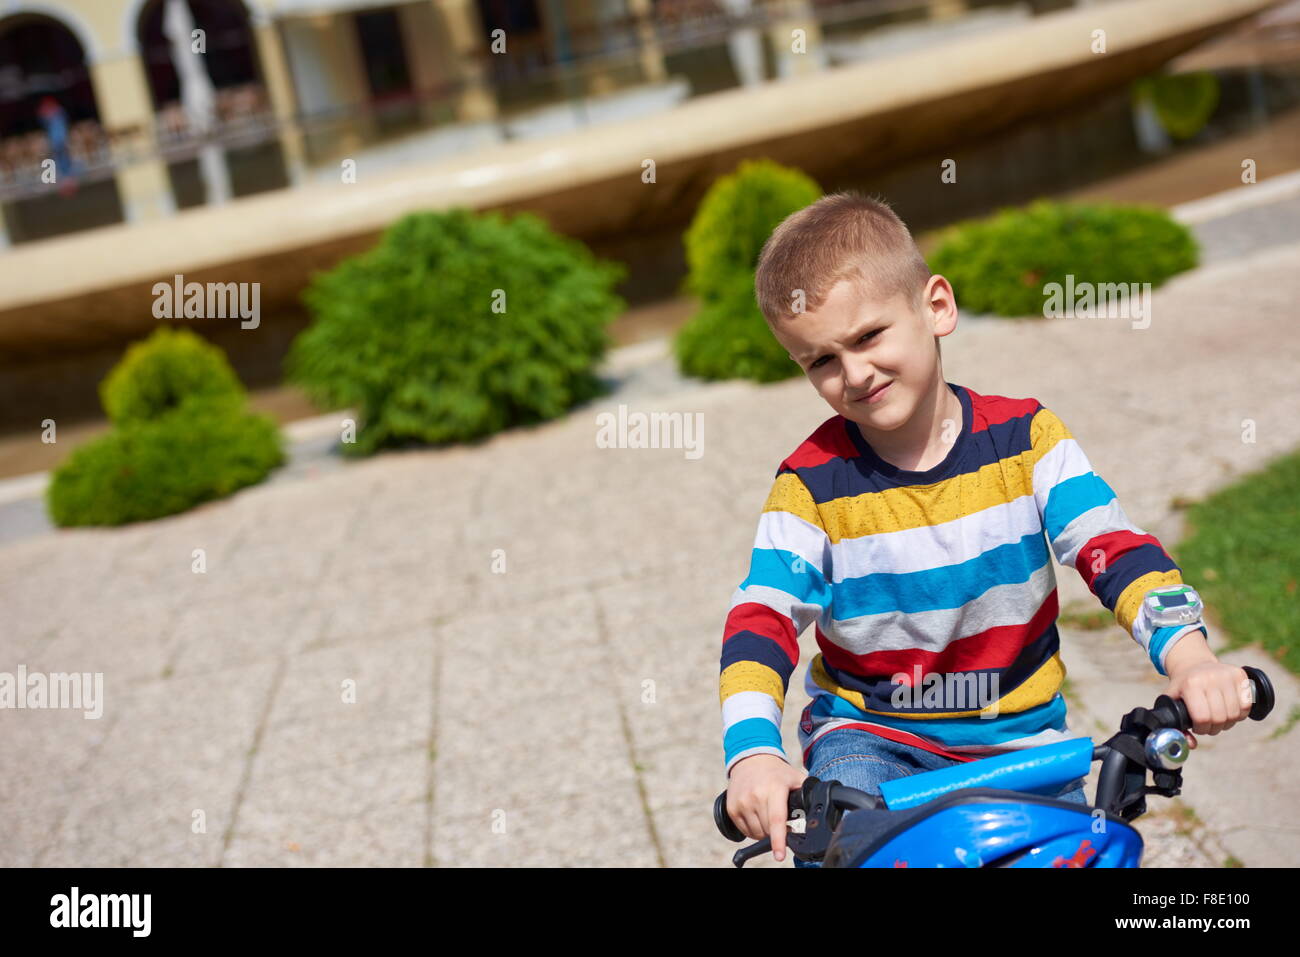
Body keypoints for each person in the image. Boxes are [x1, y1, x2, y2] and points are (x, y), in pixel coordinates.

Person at [718, 191, 1255, 866]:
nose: (853, 373)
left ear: (936, 306)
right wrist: (755, 755)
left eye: (868, 336)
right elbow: (759, 617)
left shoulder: (1028, 441)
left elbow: (1116, 551)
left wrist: (1191, 658)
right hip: (872, 744)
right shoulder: (811, 486)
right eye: (820, 360)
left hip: (1021, 746)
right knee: (847, 849)